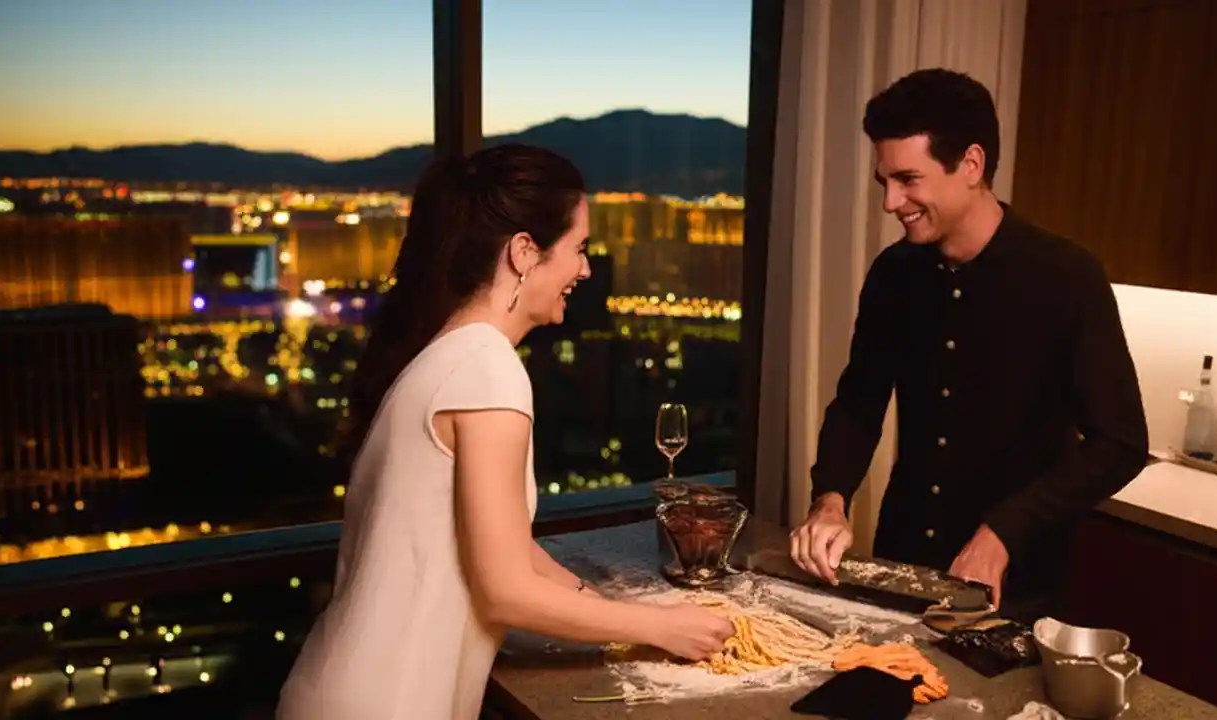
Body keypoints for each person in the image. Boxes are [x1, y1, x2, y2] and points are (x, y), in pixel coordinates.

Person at [276, 144, 734, 720]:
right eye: (578, 249)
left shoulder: (452, 352)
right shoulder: (487, 370)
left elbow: (507, 549)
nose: (586, 270)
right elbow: (505, 589)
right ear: (523, 252)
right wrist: (660, 627)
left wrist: (598, 605)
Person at [788, 69, 1149, 618]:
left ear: (972, 165)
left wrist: (1002, 532)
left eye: (908, 179)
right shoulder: (893, 273)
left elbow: (1119, 443)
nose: (891, 202)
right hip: (902, 567)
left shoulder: (1066, 276)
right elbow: (859, 405)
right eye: (884, 181)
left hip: (1017, 584)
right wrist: (830, 501)